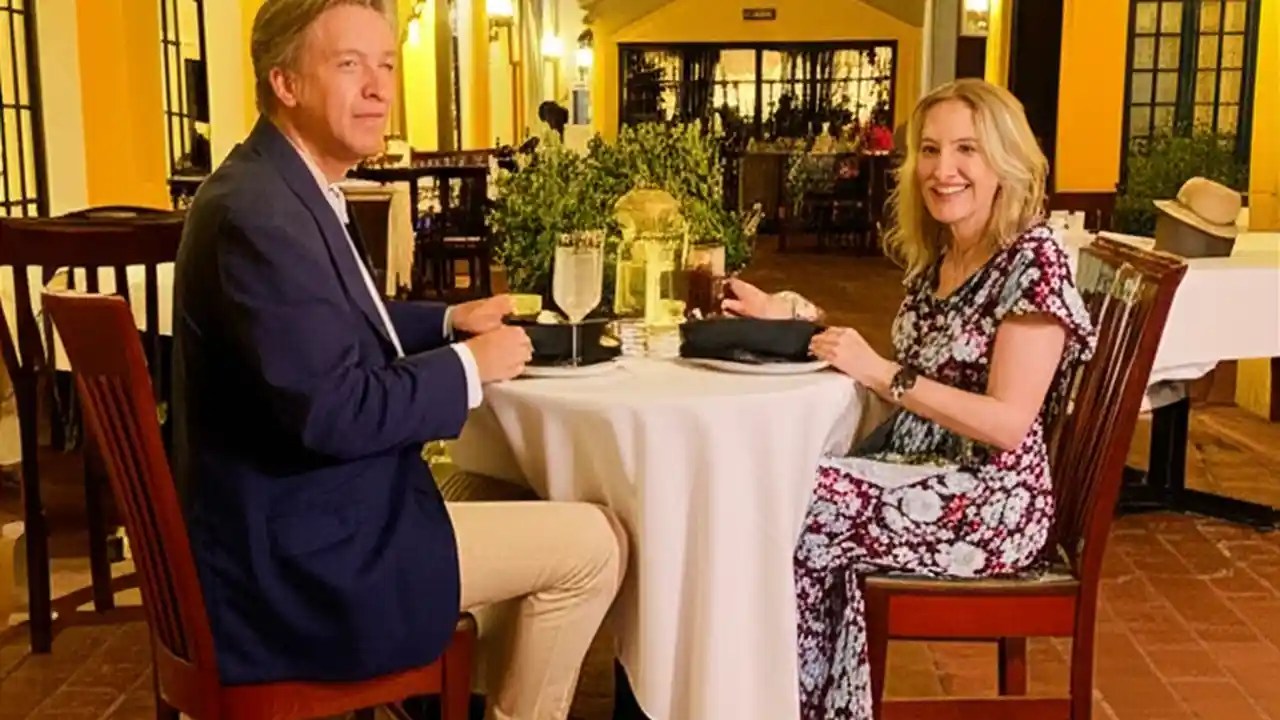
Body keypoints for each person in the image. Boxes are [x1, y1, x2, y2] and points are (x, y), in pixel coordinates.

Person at [171, 2, 627, 718]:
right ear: (285, 81)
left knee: (512, 491)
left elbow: (330, 329)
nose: (381, 88)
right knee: (597, 544)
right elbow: (334, 410)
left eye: (385, 65)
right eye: (350, 65)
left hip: (301, 515)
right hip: (298, 565)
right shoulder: (257, 212)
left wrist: (450, 319)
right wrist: (473, 367)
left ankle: (461, 700)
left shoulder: (281, 182)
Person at [723, 78, 1097, 719]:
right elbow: (893, 368)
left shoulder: (1033, 260)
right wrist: (792, 320)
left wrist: (885, 375)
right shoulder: (944, 255)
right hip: (922, 475)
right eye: (928, 150)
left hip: (991, 504)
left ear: (1005, 161)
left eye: (966, 151)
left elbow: (1007, 425)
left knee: (792, 502)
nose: (942, 170)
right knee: (775, 482)